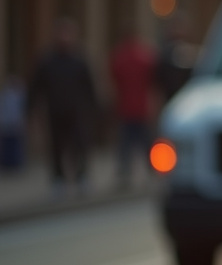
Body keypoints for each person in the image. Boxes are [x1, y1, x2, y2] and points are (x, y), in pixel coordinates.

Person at [28, 19, 99, 195]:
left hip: (76, 112)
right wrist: (30, 111)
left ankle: (81, 176)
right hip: (55, 112)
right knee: (56, 148)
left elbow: (89, 88)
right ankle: (58, 179)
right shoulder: (47, 61)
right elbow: (35, 87)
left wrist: (94, 110)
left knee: (80, 146)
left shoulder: (79, 60)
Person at [109, 26, 155, 189]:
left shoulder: (120, 57)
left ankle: (125, 174)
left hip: (126, 108)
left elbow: (114, 78)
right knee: (144, 143)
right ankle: (151, 173)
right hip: (140, 108)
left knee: (126, 145)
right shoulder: (144, 57)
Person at [0, 75, 25, 174]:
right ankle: (6, 166)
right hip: (6, 124)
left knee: (15, 147)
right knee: (7, 147)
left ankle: (15, 165)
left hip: (15, 124)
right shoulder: (5, 95)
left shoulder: (20, 95)